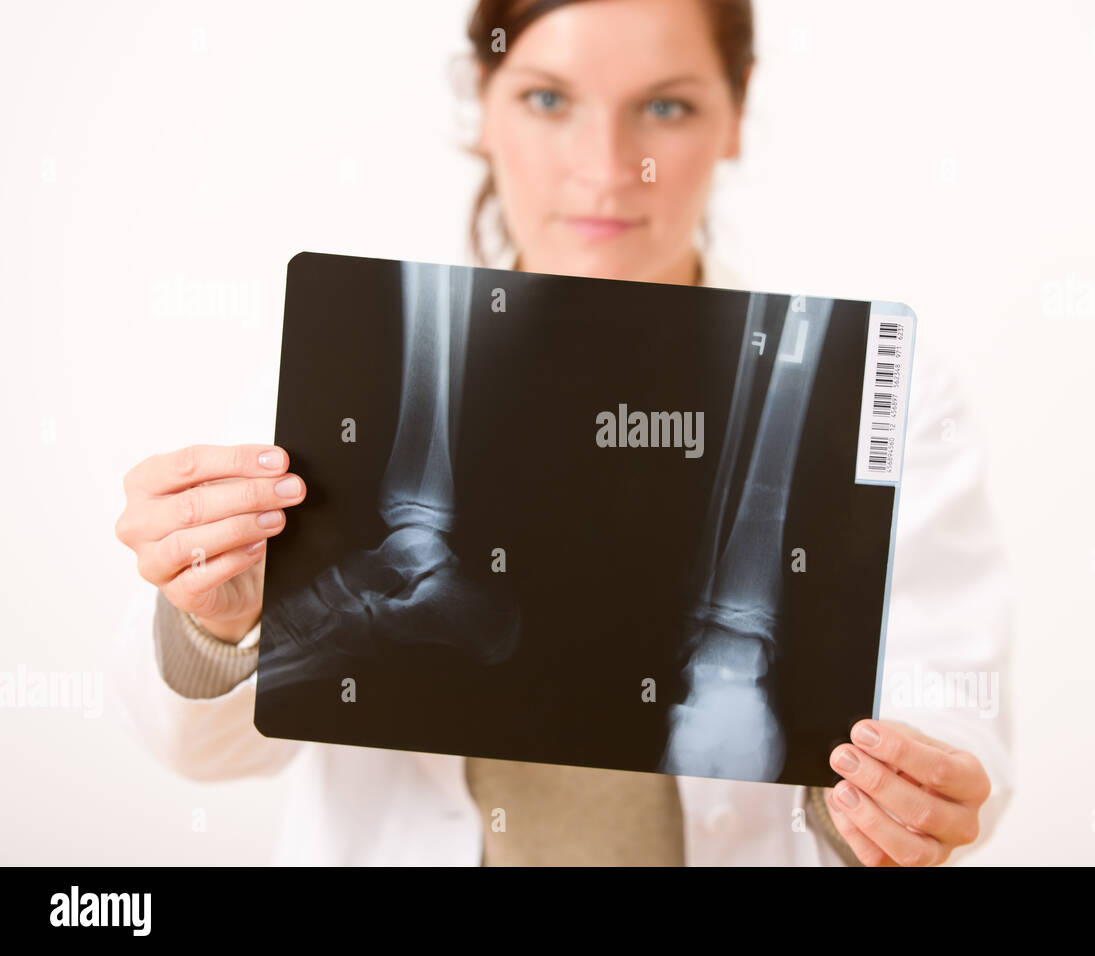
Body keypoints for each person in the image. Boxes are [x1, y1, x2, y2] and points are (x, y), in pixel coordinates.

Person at [112, 0, 1014, 866]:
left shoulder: (882, 394)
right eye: (548, 99)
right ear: (483, 103)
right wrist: (218, 624)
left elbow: (947, 706)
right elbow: (205, 750)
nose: (606, 165)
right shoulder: (328, 363)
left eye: (666, 106)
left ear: (736, 111)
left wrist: (890, 799)